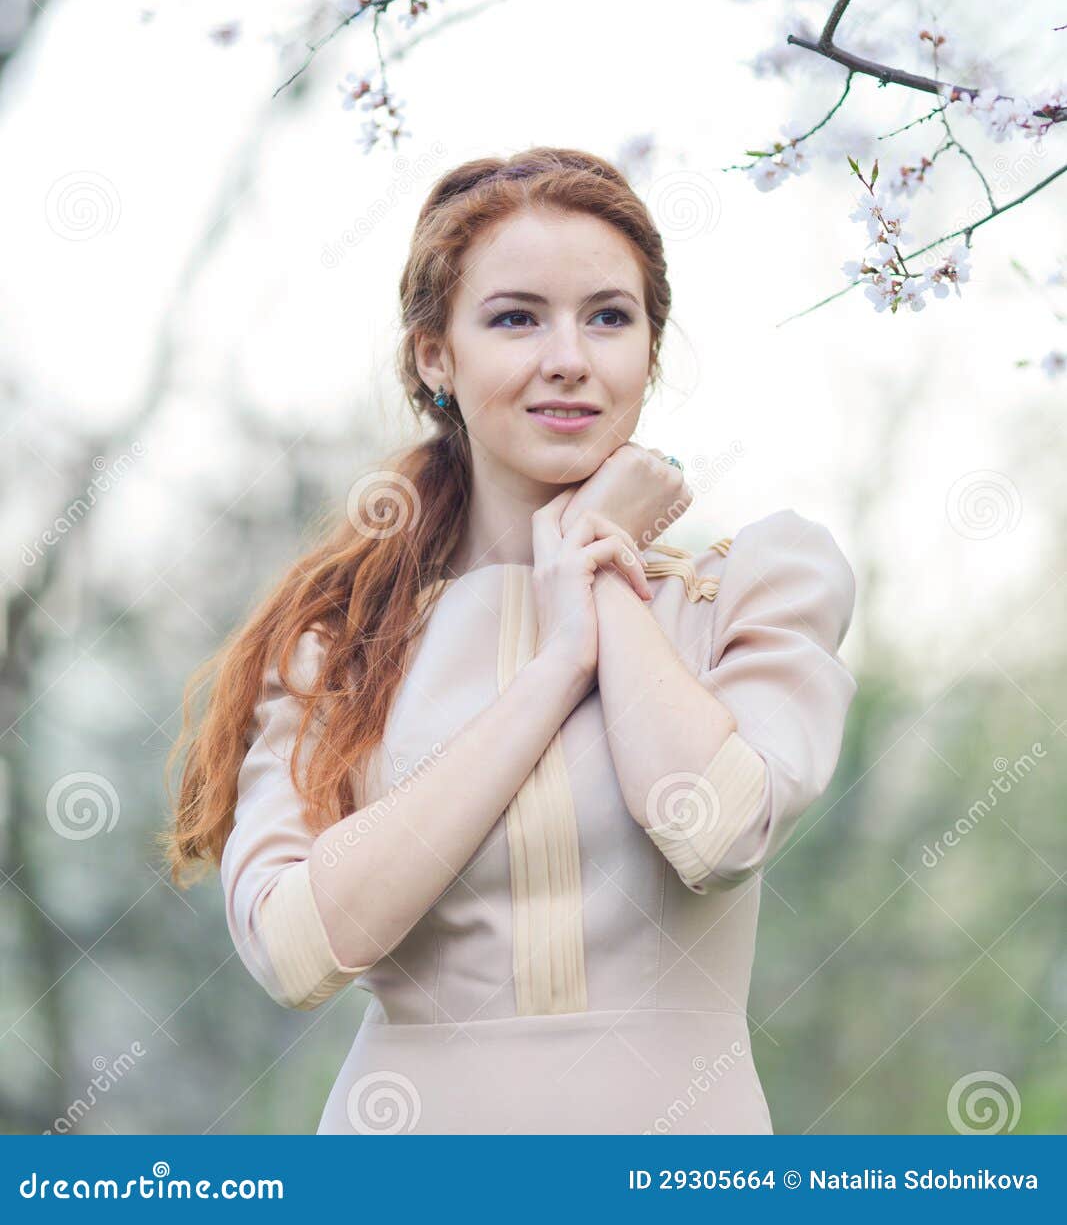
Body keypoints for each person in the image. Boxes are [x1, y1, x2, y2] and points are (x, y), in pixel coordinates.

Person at [160, 146, 857, 1135]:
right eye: (515, 318)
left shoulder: (751, 586)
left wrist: (597, 563)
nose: (568, 357)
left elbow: (715, 832)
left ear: (649, 350)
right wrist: (556, 666)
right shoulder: (339, 646)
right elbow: (299, 950)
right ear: (434, 356)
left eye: (607, 317)